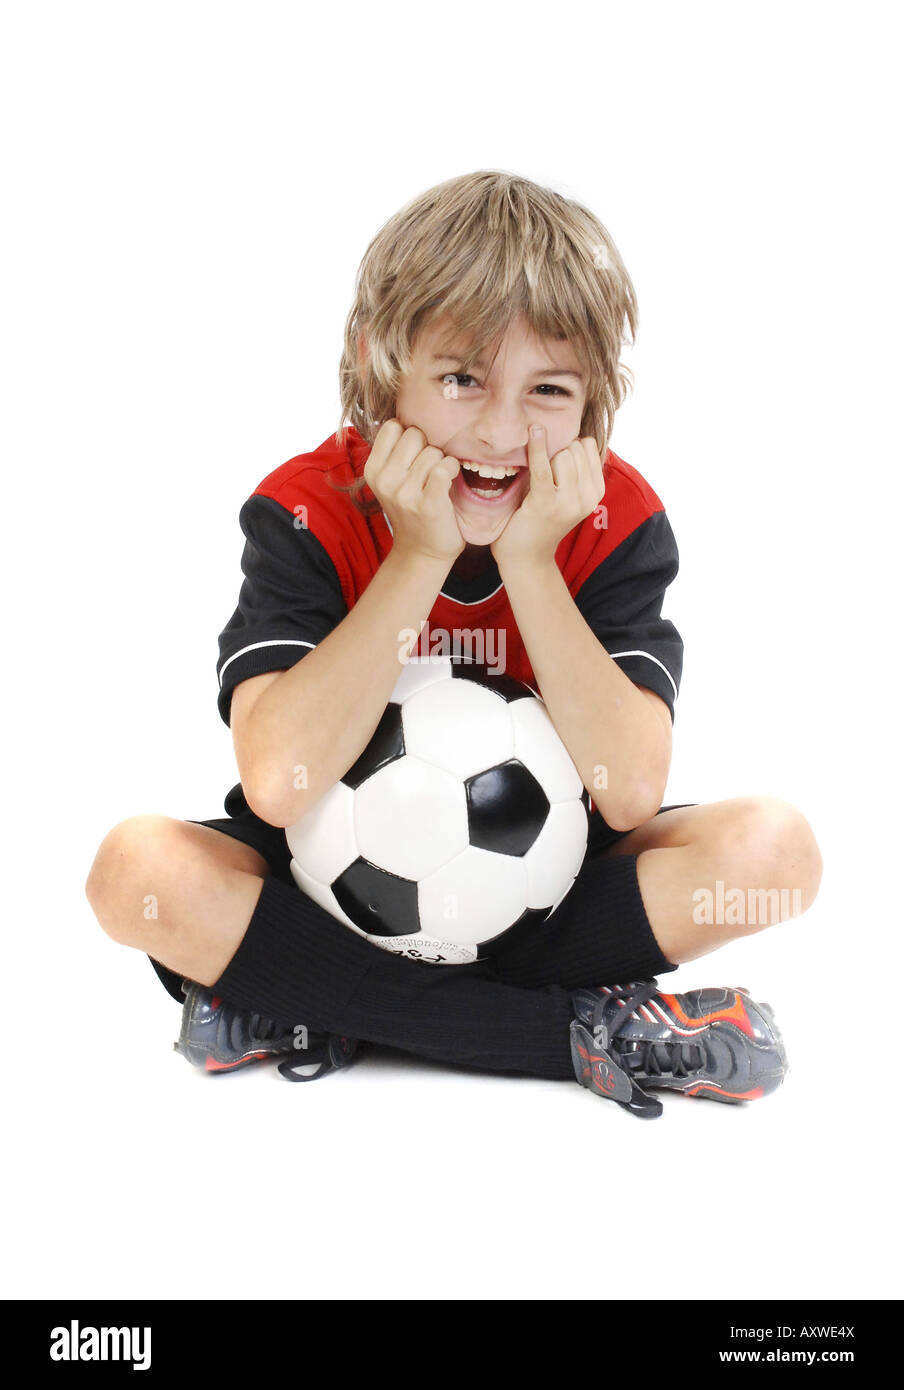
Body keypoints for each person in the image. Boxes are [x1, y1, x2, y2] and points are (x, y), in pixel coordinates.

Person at [84, 170, 822, 1118]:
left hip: (549, 903)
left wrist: (533, 564)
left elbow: (630, 792)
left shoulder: (614, 518)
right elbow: (278, 785)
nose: (503, 430)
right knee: (134, 874)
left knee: (778, 857)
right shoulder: (308, 509)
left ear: (594, 399)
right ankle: (579, 1034)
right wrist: (422, 552)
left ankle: (305, 1006)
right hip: (331, 900)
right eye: (461, 377)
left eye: (548, 389)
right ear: (378, 363)